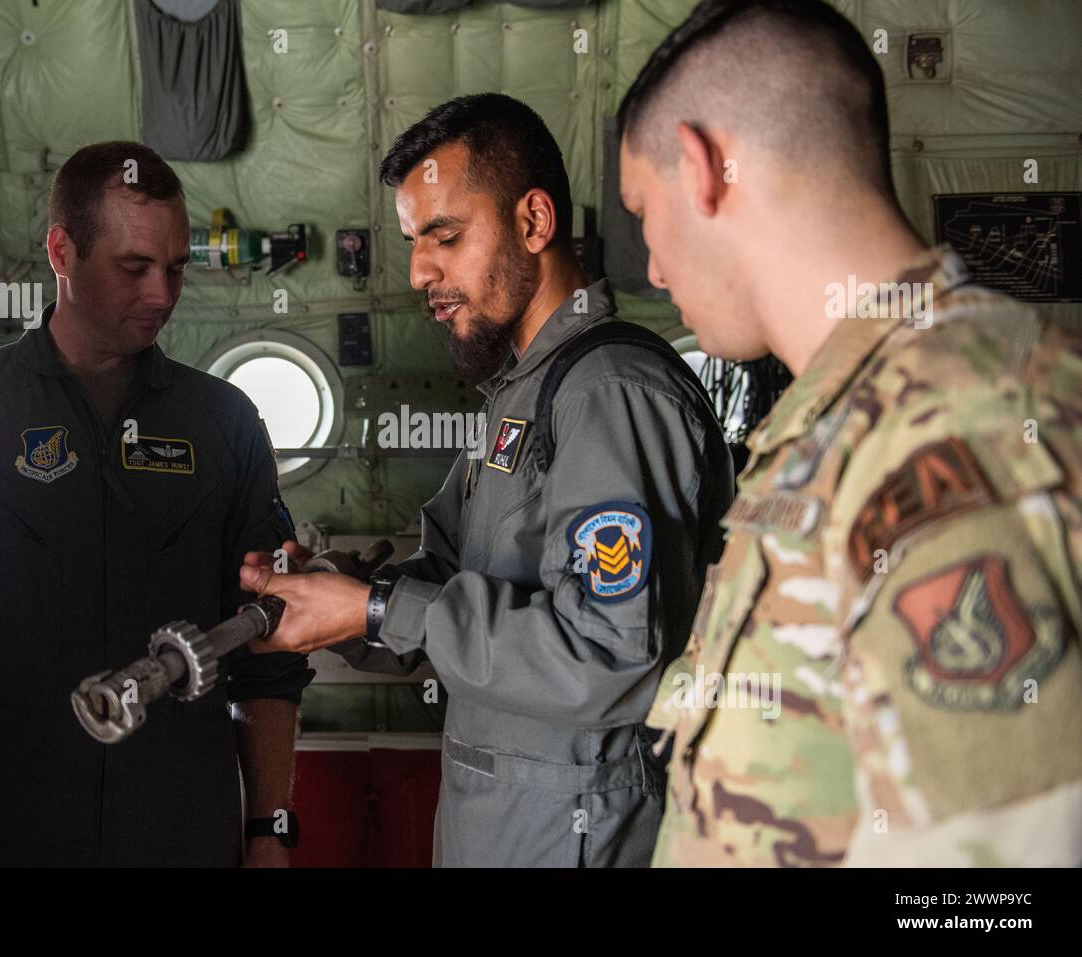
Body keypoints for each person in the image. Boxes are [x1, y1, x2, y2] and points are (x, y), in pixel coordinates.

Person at [617, 0, 1082, 866]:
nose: (650, 265)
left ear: (703, 166)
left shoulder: (944, 424)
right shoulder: (848, 423)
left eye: (643, 211)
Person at [240, 94, 734, 867]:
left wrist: (375, 607)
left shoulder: (608, 391)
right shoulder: (520, 394)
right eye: (413, 241)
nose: (418, 272)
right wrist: (331, 596)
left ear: (534, 223)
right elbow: (438, 577)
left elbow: (607, 655)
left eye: (446, 235)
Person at [0, 141, 312, 867]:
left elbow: (267, 653)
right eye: (133, 268)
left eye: (176, 267)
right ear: (61, 250)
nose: (161, 293)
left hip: (182, 828)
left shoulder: (224, 423)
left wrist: (267, 832)